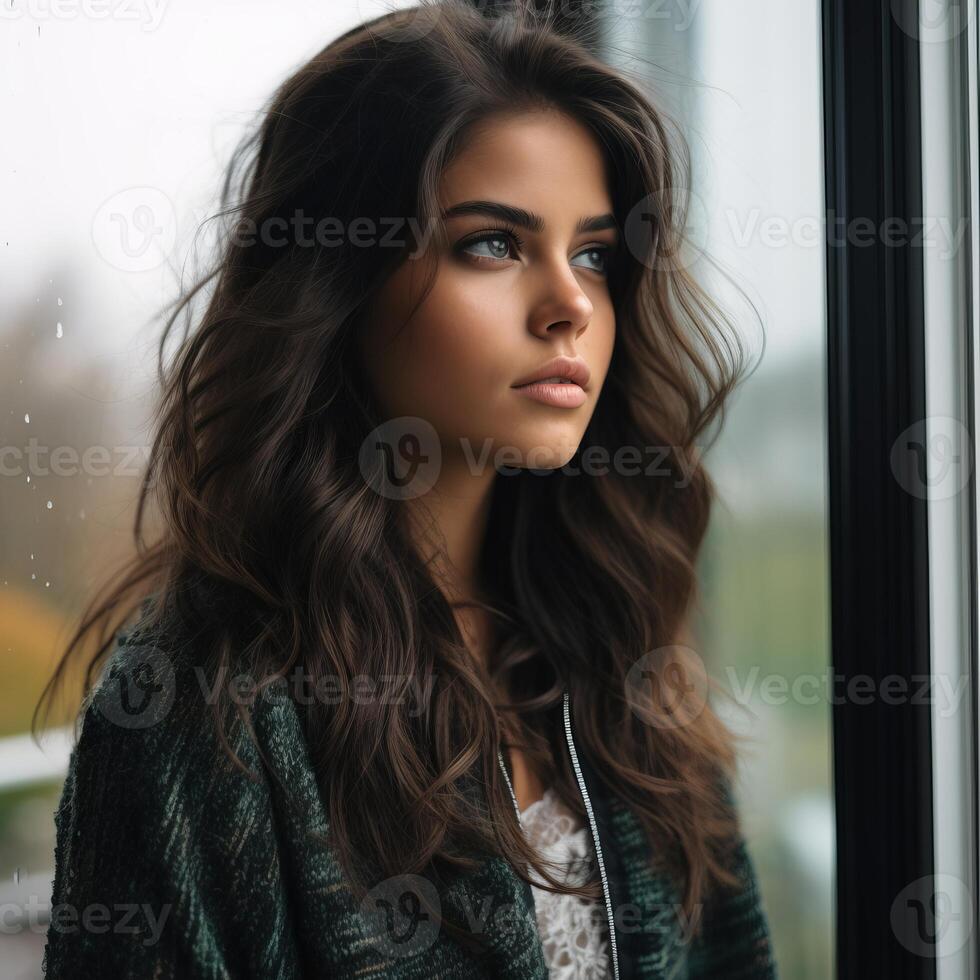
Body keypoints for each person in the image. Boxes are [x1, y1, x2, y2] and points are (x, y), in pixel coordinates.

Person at [37, 1, 777, 976]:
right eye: (492, 243)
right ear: (338, 278)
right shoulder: (197, 701)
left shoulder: (612, 639)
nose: (568, 305)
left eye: (593, 254)